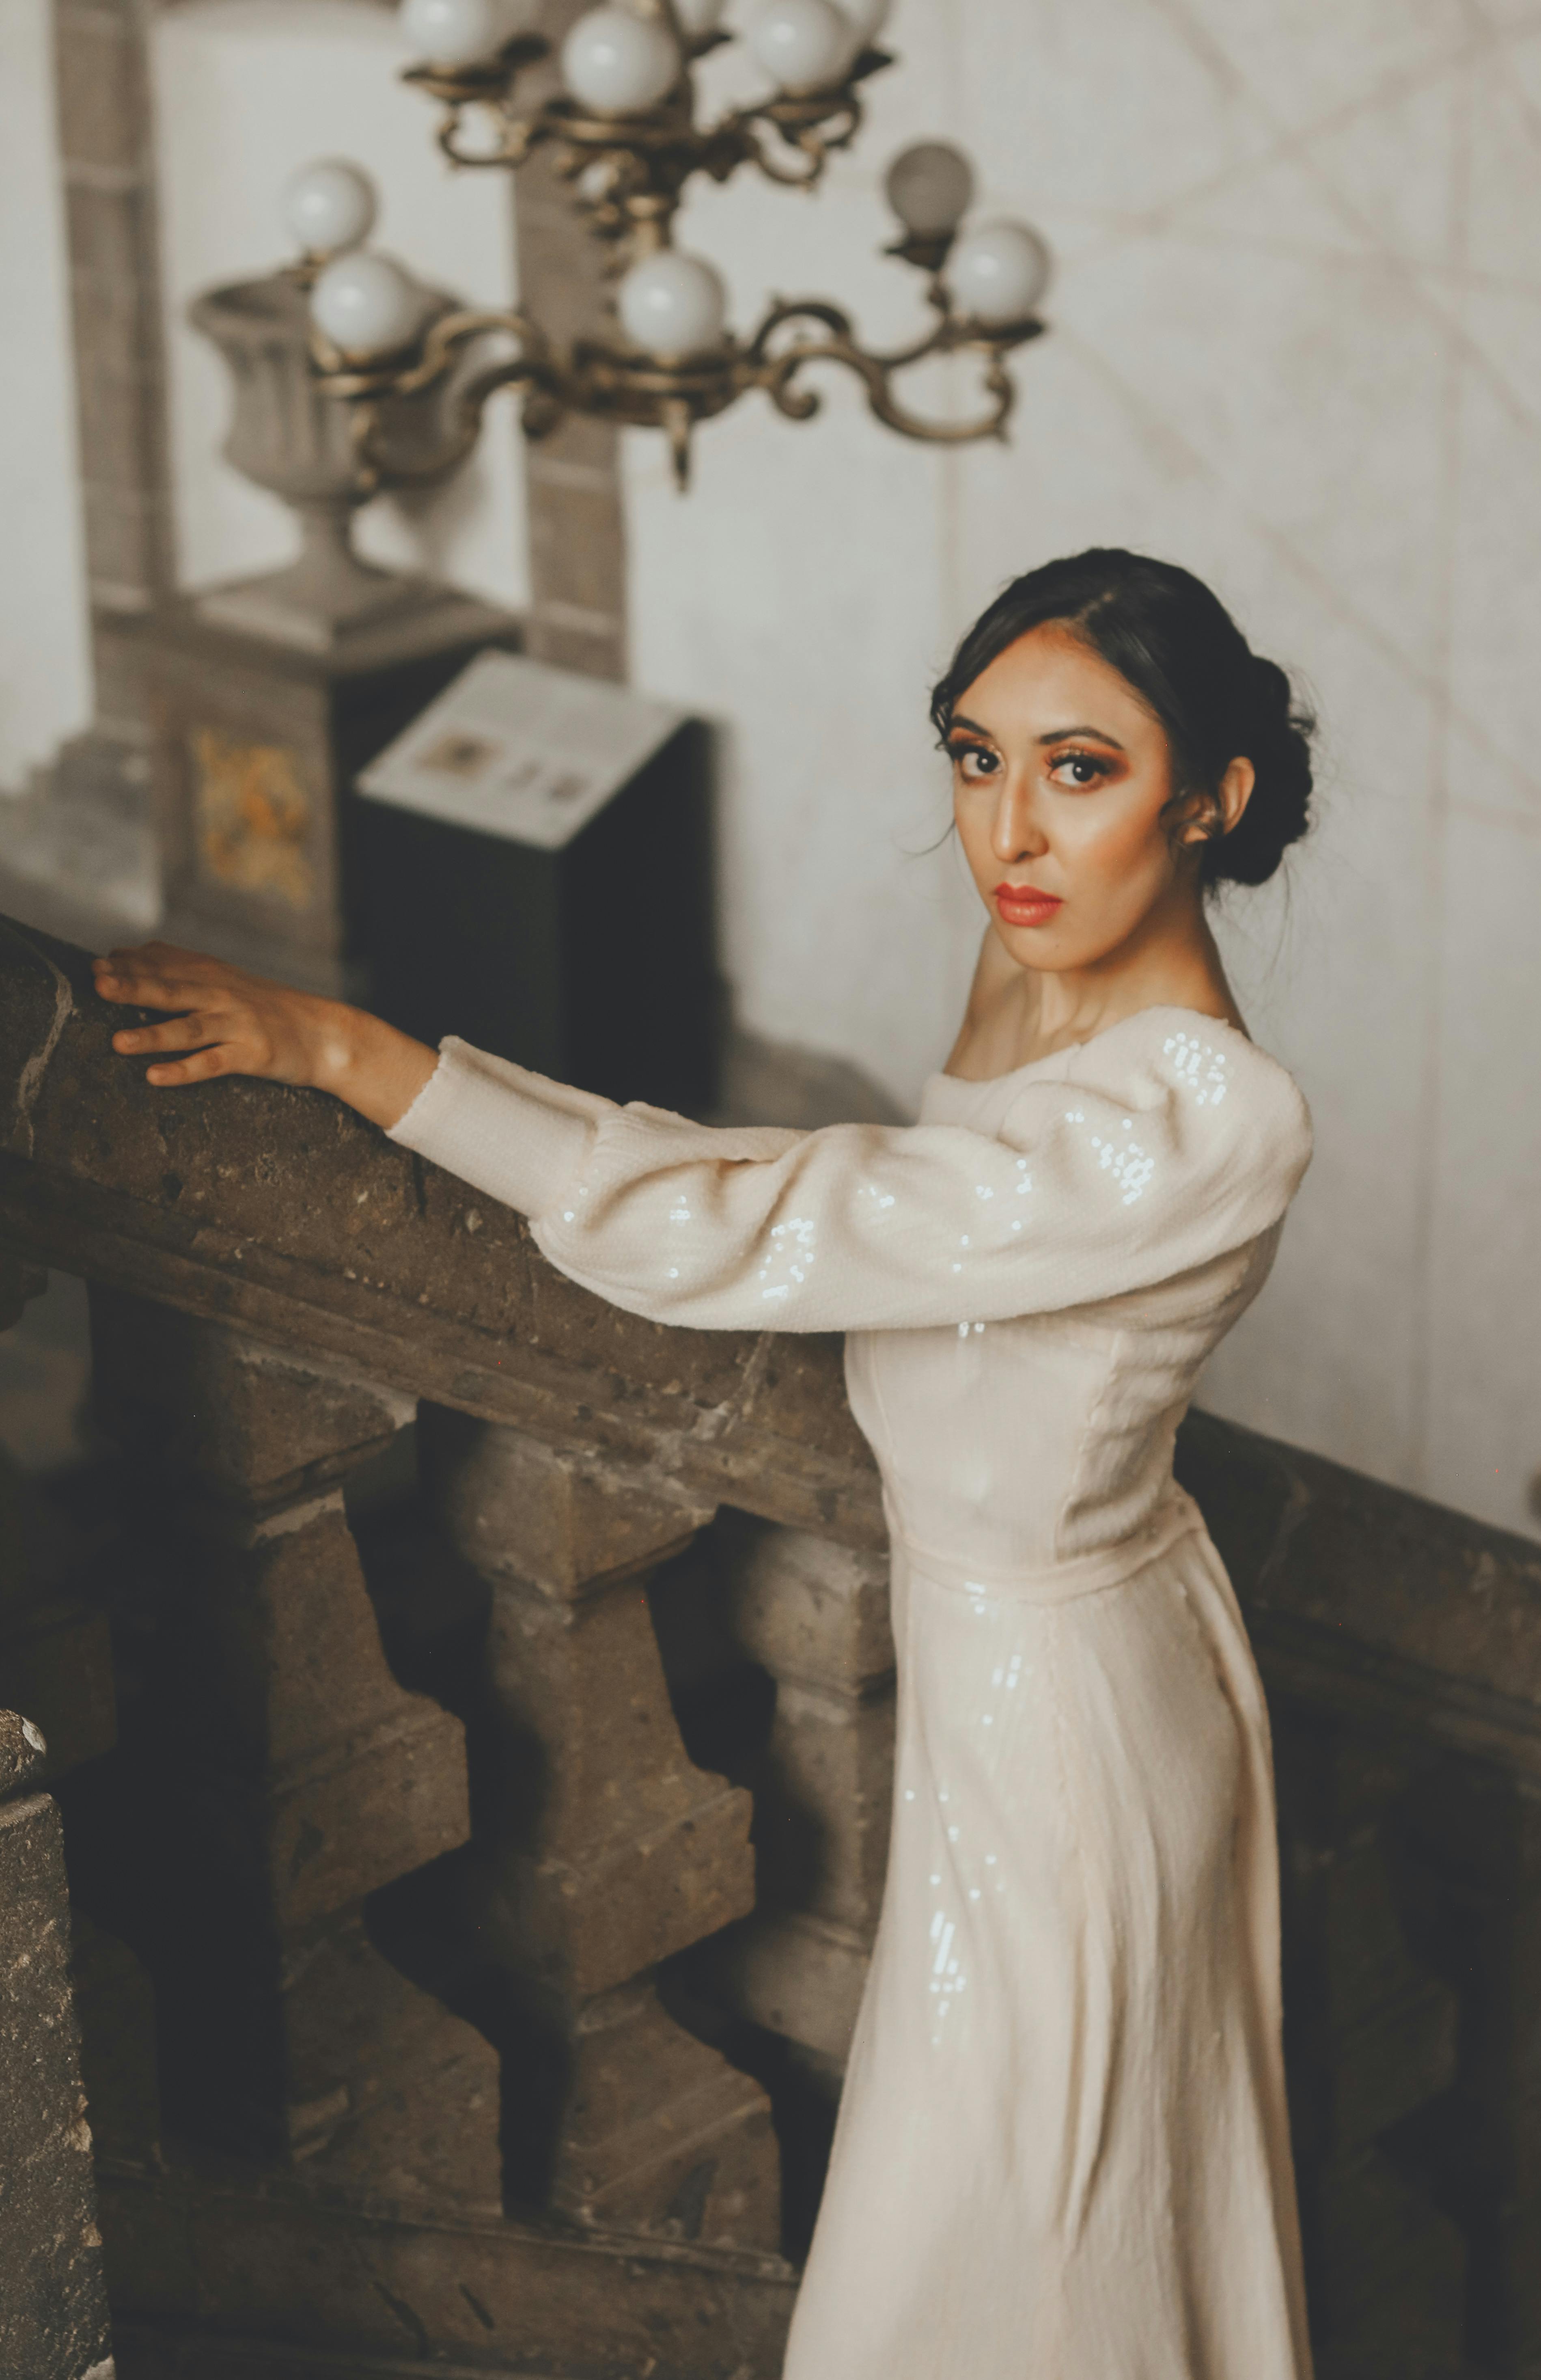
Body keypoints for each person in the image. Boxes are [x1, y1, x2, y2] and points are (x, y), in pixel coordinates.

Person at [95, 548, 1317, 2379]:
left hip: (1080, 1711)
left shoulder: (1210, 1115)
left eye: (1084, 768)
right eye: (977, 756)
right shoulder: (1028, 961)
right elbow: (835, 1204)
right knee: (1006, 2224)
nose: (1009, 830)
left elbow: (788, 1212)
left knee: (1011, 2238)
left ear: (1210, 798)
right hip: (1005, 1668)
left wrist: (360, 1057)